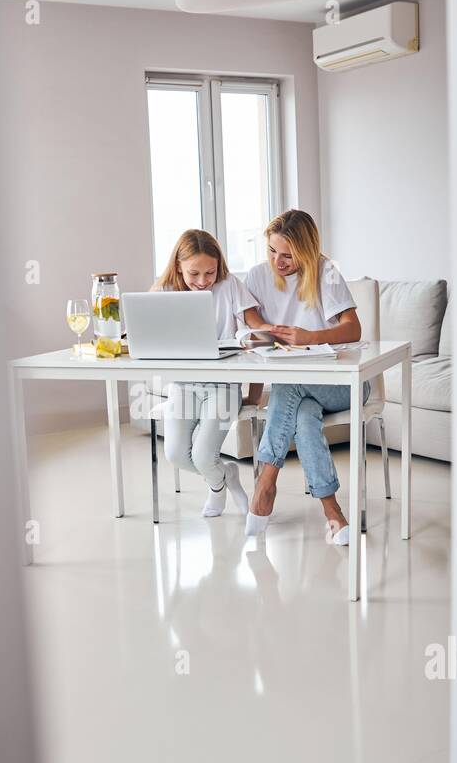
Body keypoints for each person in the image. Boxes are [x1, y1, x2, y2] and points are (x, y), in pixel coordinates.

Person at [242, 210, 366, 544]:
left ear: (306, 250)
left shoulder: (325, 272)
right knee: (304, 414)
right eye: (271, 251)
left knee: (287, 382)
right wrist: (262, 330)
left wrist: (308, 337)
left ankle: (265, 484)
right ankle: (333, 513)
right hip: (302, 393)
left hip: (344, 384)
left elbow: (354, 328)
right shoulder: (256, 277)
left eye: (287, 254)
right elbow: (251, 322)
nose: (277, 262)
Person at [153, 230, 263, 517]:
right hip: (183, 385)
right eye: (194, 273)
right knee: (175, 454)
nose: (203, 281)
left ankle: (216, 489)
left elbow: (258, 328)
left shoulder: (229, 285)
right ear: (178, 266)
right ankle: (226, 476)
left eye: (209, 272)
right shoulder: (163, 291)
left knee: (203, 456)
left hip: (223, 386)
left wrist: (251, 338)